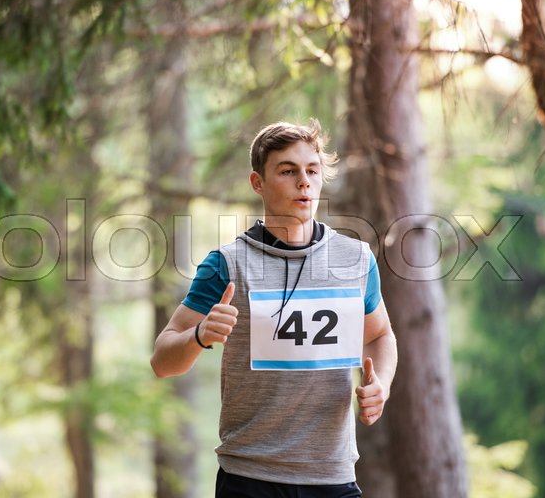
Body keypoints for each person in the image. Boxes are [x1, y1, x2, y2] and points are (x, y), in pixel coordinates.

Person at [150, 119, 398, 498]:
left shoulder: (355, 260)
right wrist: (199, 336)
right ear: (257, 183)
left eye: (312, 171)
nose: (304, 182)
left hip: (333, 477)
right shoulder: (226, 265)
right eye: (288, 171)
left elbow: (380, 334)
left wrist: (381, 382)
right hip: (250, 477)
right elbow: (162, 362)